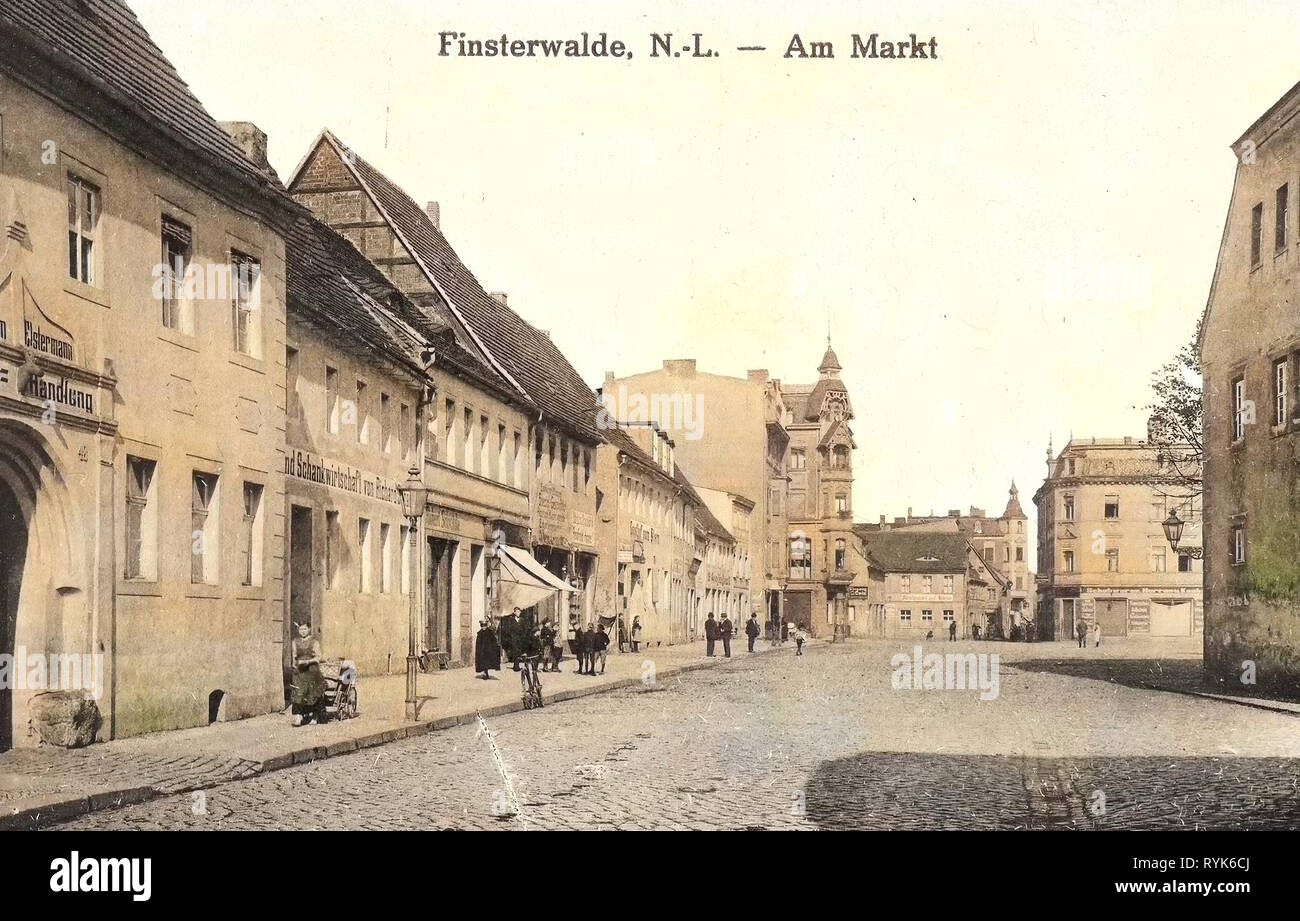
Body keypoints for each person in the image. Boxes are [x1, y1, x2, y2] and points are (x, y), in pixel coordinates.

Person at [290, 622, 326, 726]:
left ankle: (315, 716)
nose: (302, 632)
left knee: (312, 692)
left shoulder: (314, 642)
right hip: (300, 670)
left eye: (304, 629)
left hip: (312, 669)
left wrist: (307, 661)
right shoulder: (295, 641)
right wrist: (294, 666)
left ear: (309, 629)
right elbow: (294, 655)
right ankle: (299, 716)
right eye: (300, 629)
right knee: (298, 692)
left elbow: (318, 657)